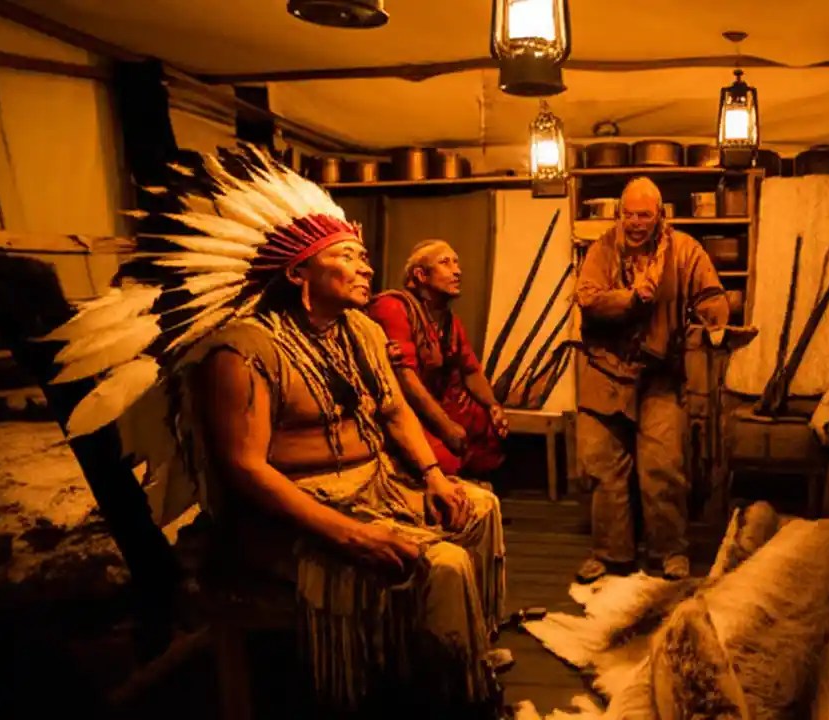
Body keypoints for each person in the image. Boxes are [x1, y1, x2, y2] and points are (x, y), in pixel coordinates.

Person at [43, 149, 505, 716]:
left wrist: (432, 475)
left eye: (364, 257)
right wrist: (352, 537)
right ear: (297, 272)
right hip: (295, 520)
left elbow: (391, 411)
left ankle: (457, 652)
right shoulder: (244, 350)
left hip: (377, 488)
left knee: (478, 508)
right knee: (443, 564)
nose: (366, 268)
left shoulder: (357, 330)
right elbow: (246, 469)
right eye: (348, 257)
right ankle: (434, 697)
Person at [574, 176, 729, 583]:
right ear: (619, 214)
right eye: (629, 214)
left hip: (659, 374)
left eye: (644, 214)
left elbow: (710, 292)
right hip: (605, 371)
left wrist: (716, 315)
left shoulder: (683, 250)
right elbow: (588, 298)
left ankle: (669, 550)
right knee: (604, 466)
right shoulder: (603, 249)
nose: (636, 222)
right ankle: (611, 554)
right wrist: (632, 298)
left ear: (659, 215)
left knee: (663, 466)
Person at [365, 240, 509, 480]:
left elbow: (470, 371)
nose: (457, 271)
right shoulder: (392, 308)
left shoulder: (450, 321)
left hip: (434, 401)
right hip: (401, 408)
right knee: (445, 459)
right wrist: (446, 427)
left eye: (456, 263)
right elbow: (404, 378)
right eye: (445, 263)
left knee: (487, 426)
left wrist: (494, 406)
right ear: (421, 274)